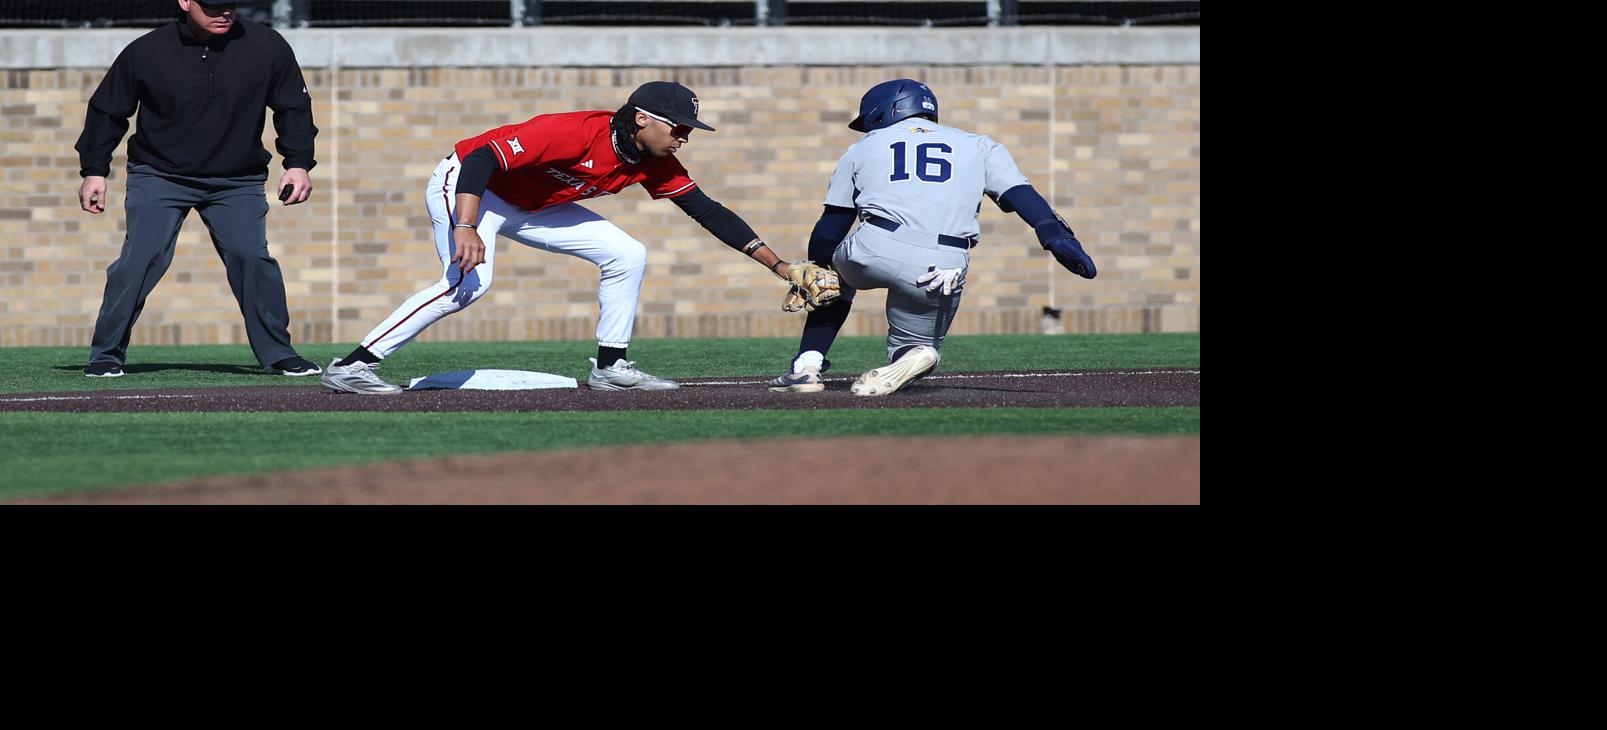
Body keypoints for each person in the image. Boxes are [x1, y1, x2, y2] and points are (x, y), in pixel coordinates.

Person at [322, 81, 831, 394]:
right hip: (468, 187)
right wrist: (466, 225)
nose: (684, 137)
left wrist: (782, 267)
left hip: (530, 204)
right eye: (678, 127)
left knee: (628, 254)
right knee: (468, 285)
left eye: (688, 130)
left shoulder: (656, 162)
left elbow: (707, 210)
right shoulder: (572, 131)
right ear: (642, 119)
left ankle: (611, 367)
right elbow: (481, 159)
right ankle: (353, 366)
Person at [769, 79, 1098, 396]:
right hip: (945, 262)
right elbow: (1020, 195)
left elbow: (833, 224)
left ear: (883, 113)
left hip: (876, 245)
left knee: (830, 279)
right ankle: (914, 353)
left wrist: (817, 268)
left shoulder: (864, 147)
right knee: (915, 348)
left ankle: (806, 367)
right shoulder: (980, 144)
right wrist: (1053, 234)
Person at [75, 0, 321, 379]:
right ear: (185, 2)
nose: (224, 13)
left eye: (230, 5)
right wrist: (94, 171)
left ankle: (279, 354)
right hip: (160, 175)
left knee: (251, 258)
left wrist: (299, 163)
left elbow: (294, 108)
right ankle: (106, 355)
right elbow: (108, 110)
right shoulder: (147, 50)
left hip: (236, 180)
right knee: (140, 258)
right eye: (213, 5)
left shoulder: (267, 45)